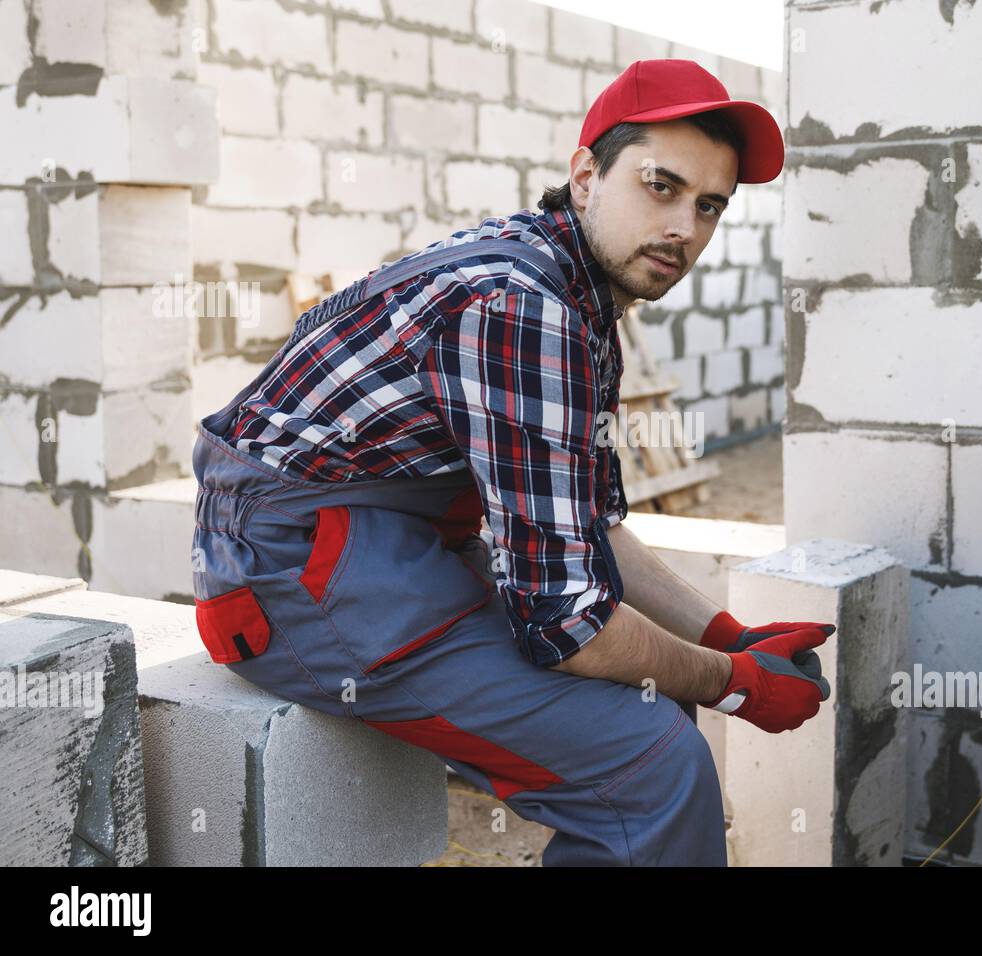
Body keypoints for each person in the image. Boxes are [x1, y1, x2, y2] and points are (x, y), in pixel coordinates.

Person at [190, 58, 833, 867]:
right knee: (650, 765)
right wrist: (733, 679)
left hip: (377, 544)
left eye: (709, 207)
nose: (685, 229)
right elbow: (568, 625)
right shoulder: (525, 306)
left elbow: (590, 531)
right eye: (661, 186)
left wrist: (729, 635)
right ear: (586, 174)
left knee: (654, 704)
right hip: (289, 575)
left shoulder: (574, 289)